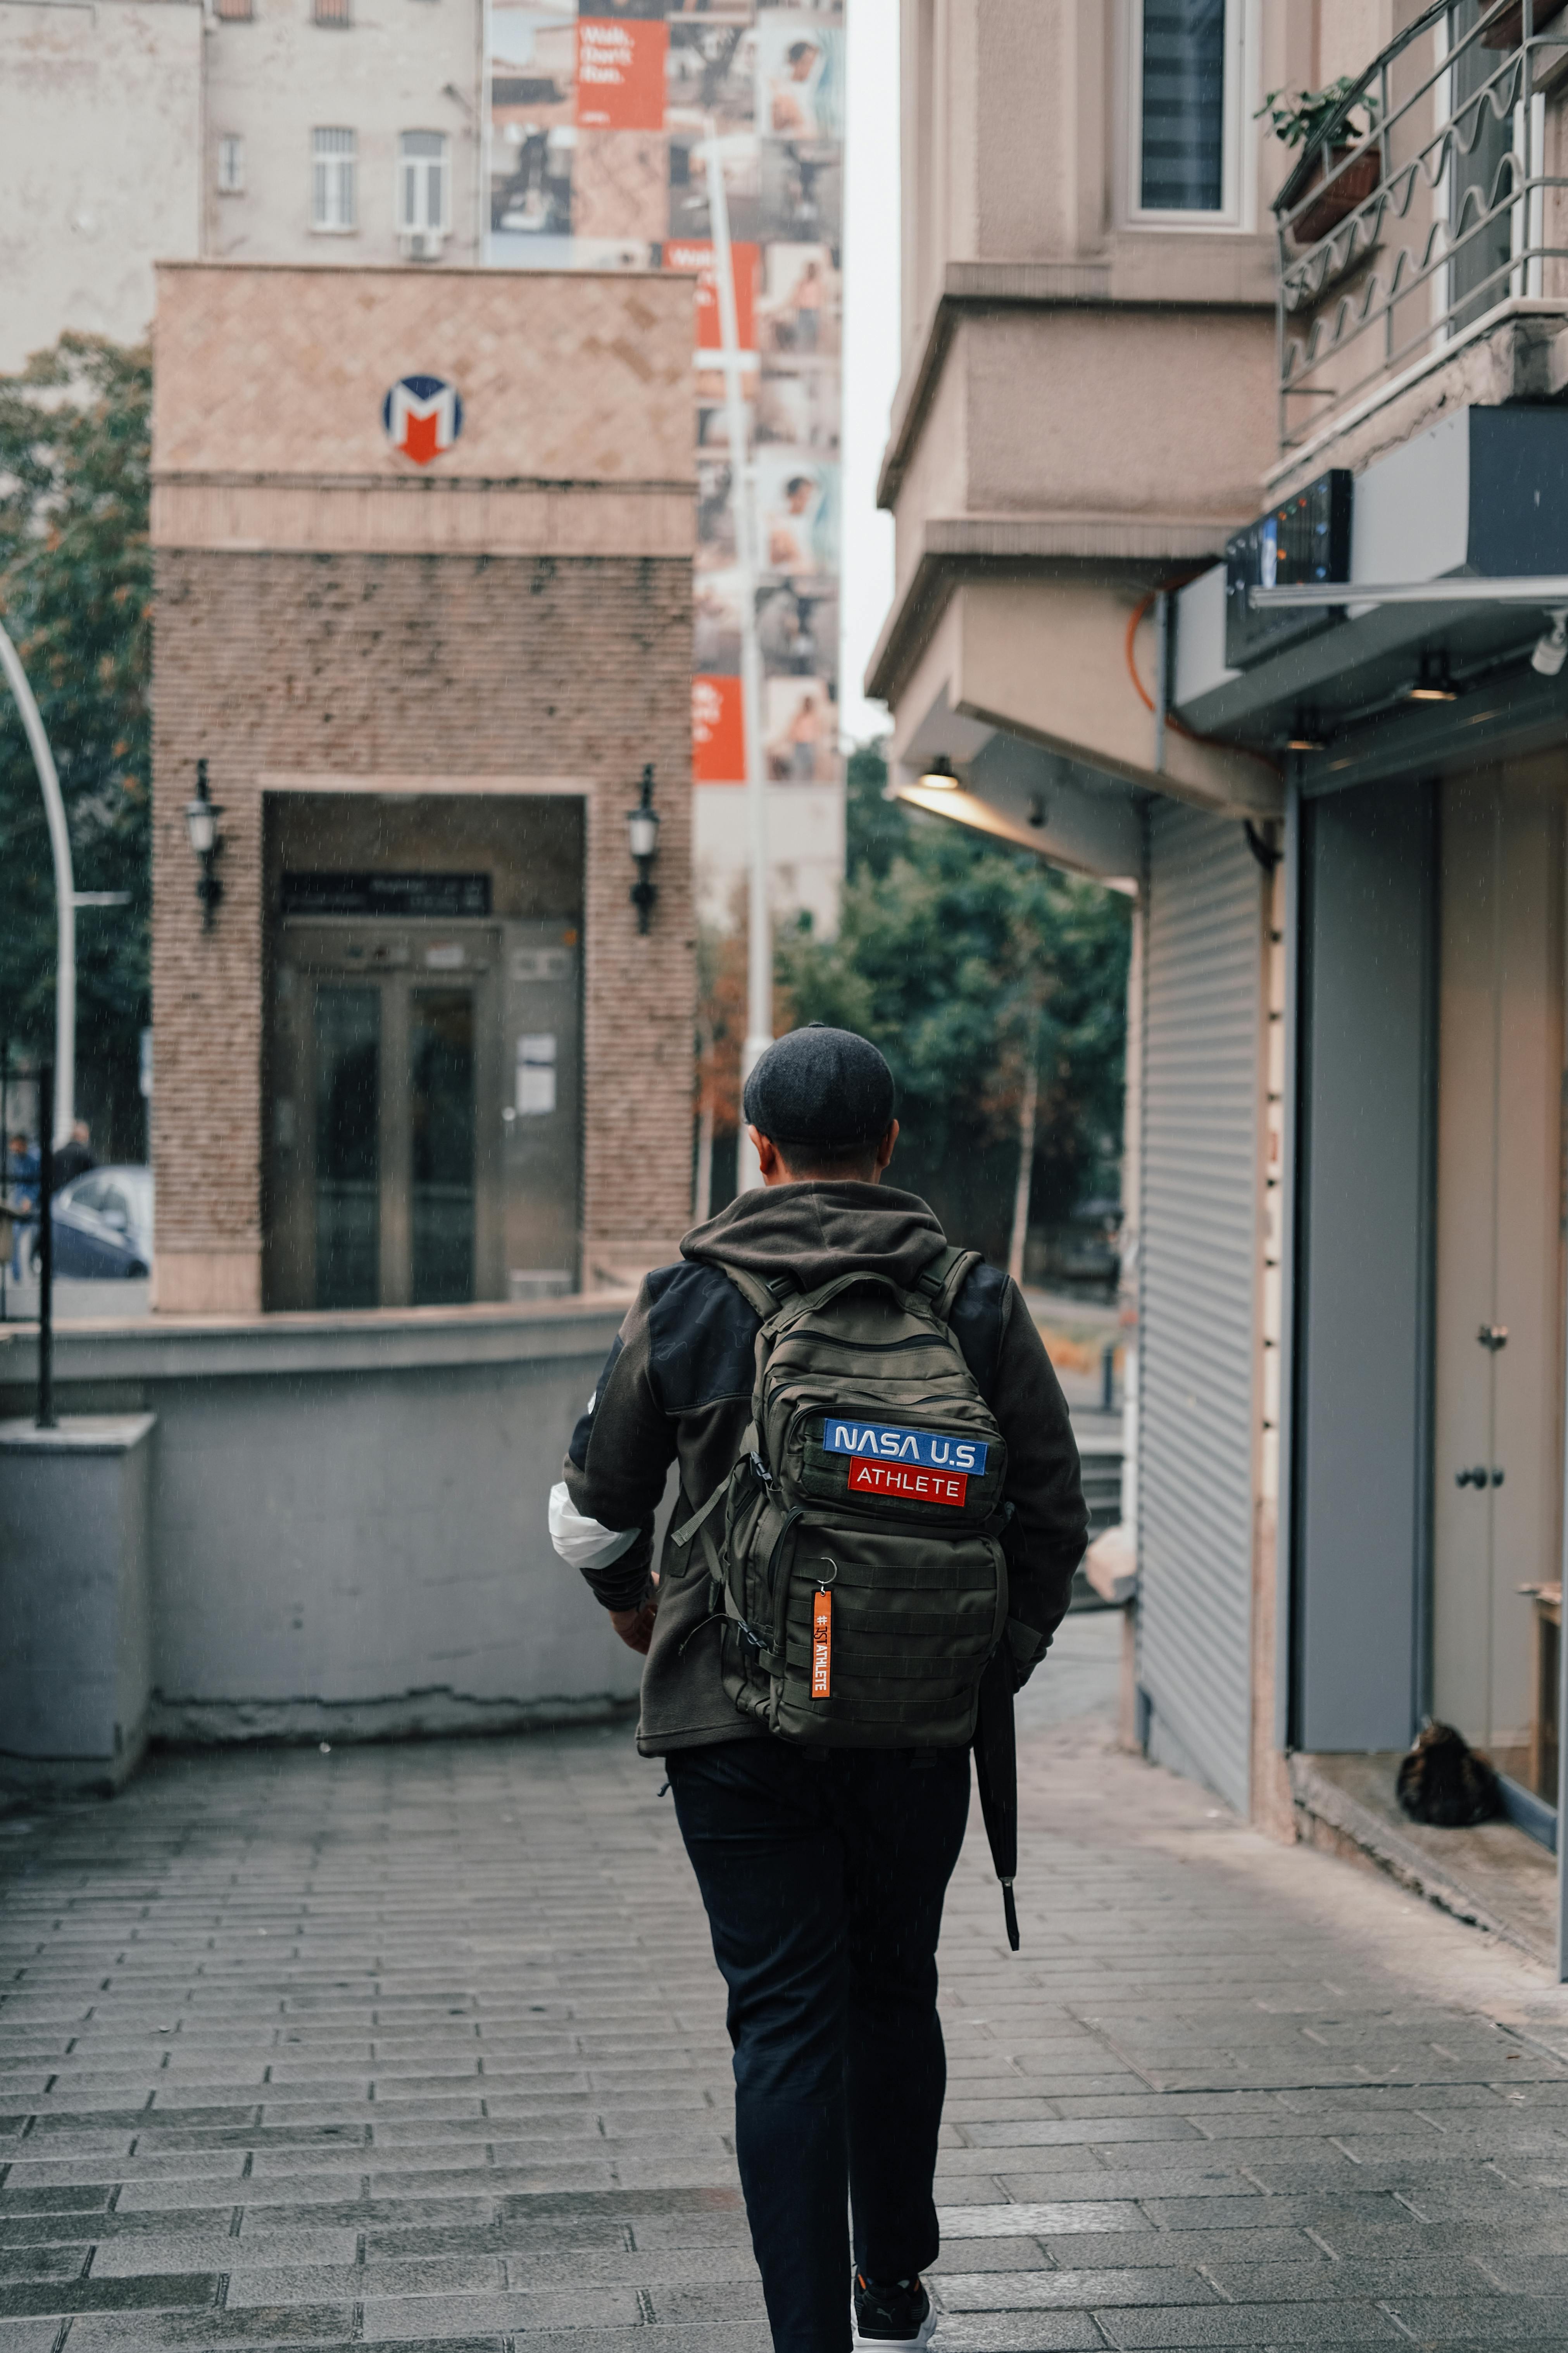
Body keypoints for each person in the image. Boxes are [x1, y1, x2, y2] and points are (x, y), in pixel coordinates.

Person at [550, 1026, 1087, 2353]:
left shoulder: (689, 1296)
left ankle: (809, 2339)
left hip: (730, 1730)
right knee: (893, 1983)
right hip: (916, 1726)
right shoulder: (973, 1298)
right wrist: (974, 1664)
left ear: (759, 1149)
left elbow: (592, 1511)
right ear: (891, 1148)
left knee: (783, 2019)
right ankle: (890, 2278)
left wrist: (639, 1620)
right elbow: (1052, 1524)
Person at [53, 1119, 95, 1187]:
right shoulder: (86, 1154)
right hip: (80, 1192)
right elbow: (95, 1174)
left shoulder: (59, 1153)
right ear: (85, 1136)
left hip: (59, 1192)